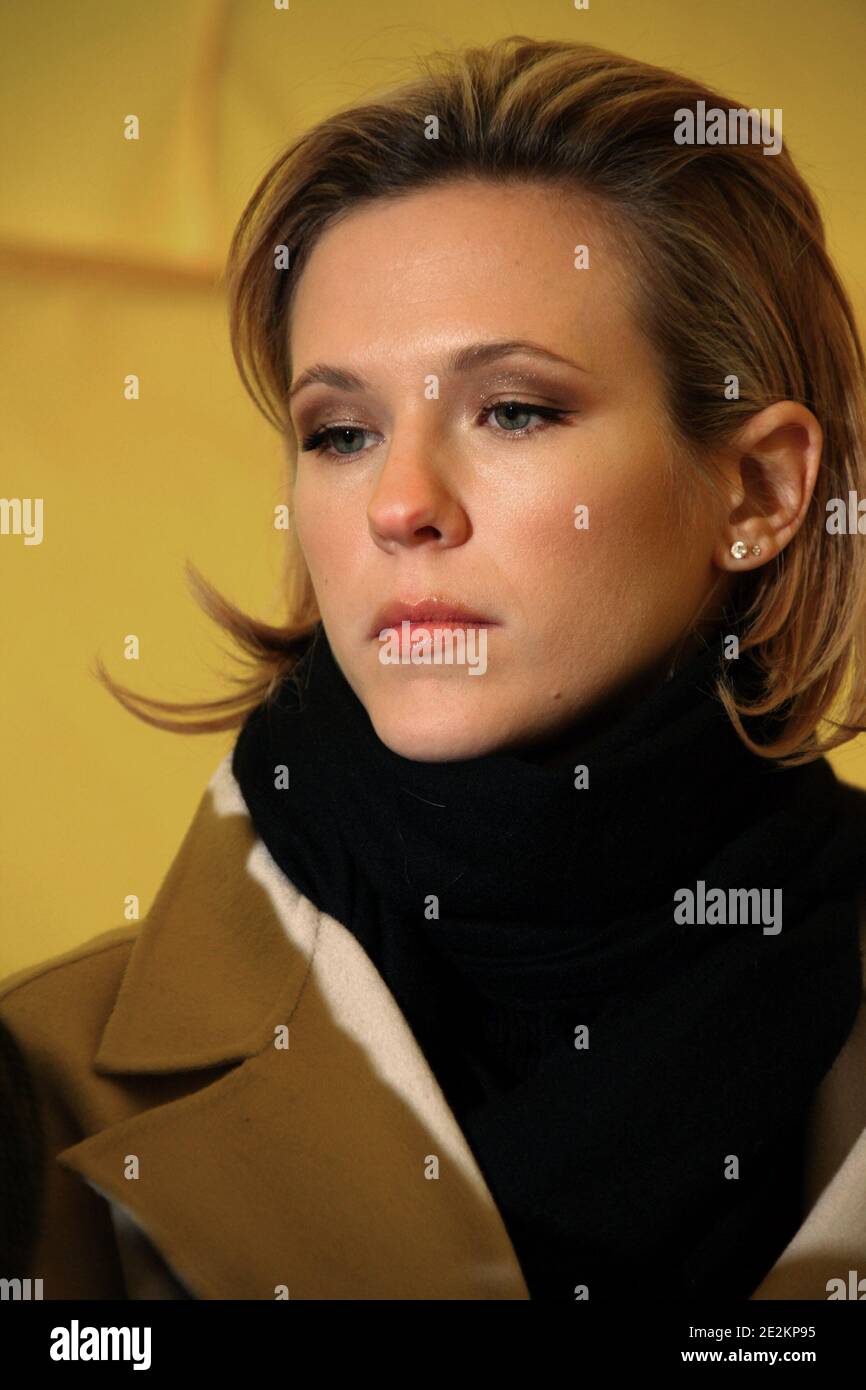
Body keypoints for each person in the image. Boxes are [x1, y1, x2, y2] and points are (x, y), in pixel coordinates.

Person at [2, 34, 866, 1301]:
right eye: (340, 431)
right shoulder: (34, 1084)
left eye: (513, 409)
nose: (398, 504)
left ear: (757, 487)